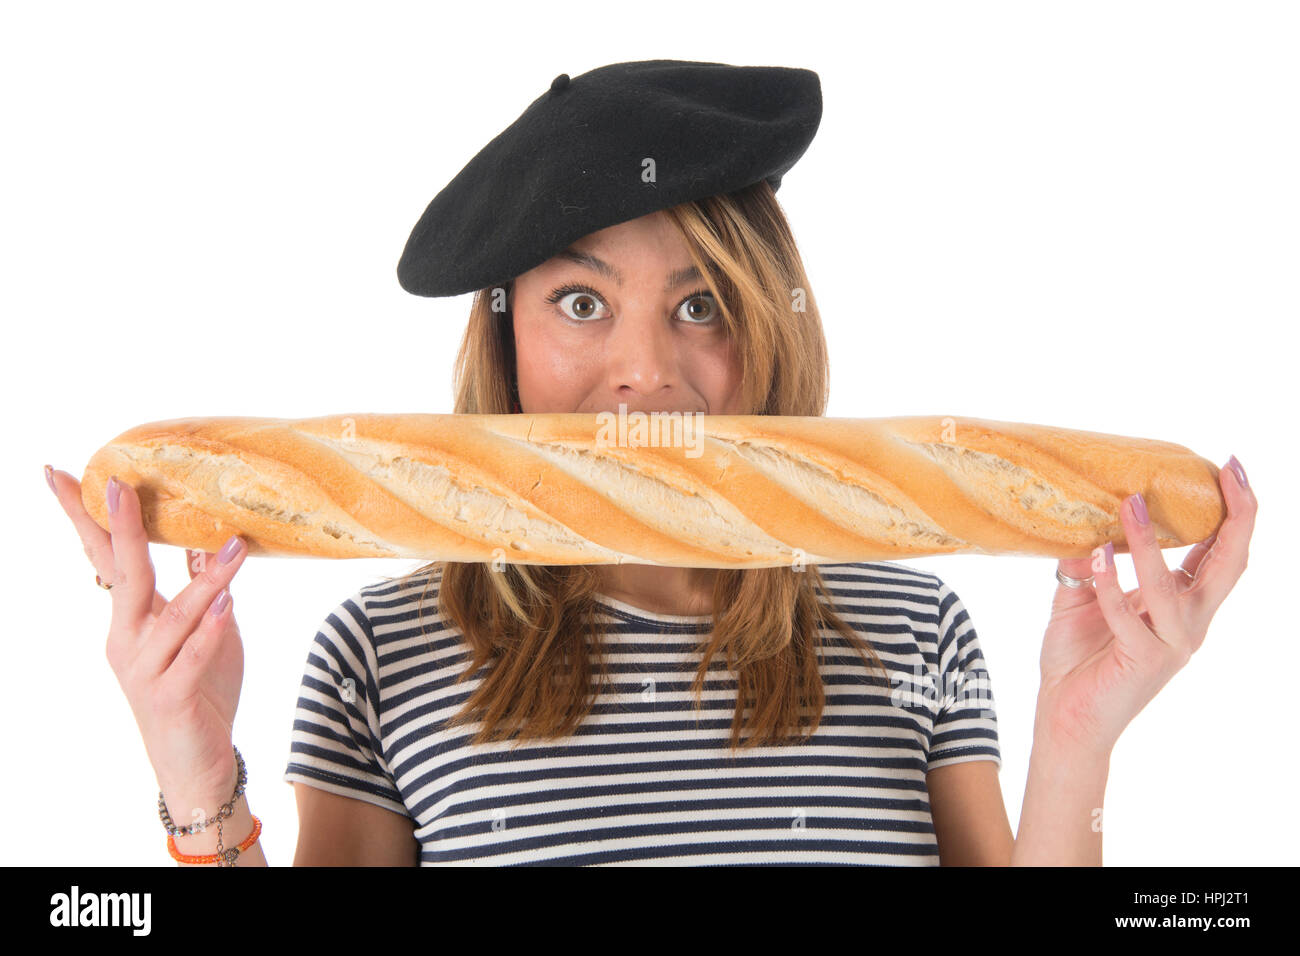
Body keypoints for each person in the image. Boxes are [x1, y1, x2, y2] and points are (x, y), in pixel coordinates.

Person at [47, 60, 1256, 866]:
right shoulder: (381, 652)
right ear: (503, 329)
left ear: (771, 325)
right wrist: (198, 774)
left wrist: (1080, 739)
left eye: (700, 305)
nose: (643, 373)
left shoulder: (911, 624)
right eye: (580, 301)